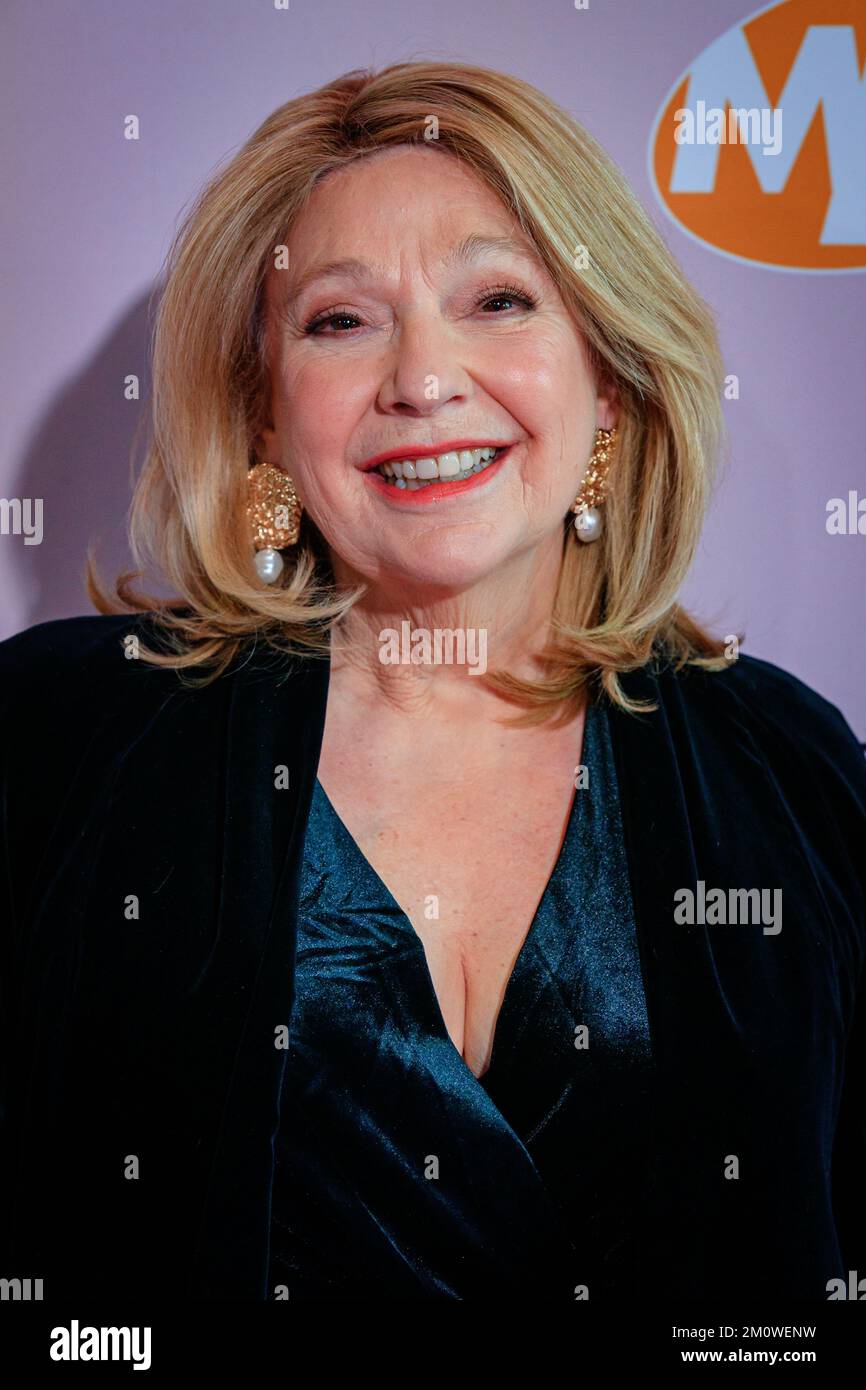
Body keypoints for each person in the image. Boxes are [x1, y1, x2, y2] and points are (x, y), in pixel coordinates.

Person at [1, 60, 864, 1303]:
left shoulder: (783, 766)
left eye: (498, 300)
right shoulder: (59, 736)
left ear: (606, 379)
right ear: (262, 418)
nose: (421, 380)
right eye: (339, 321)